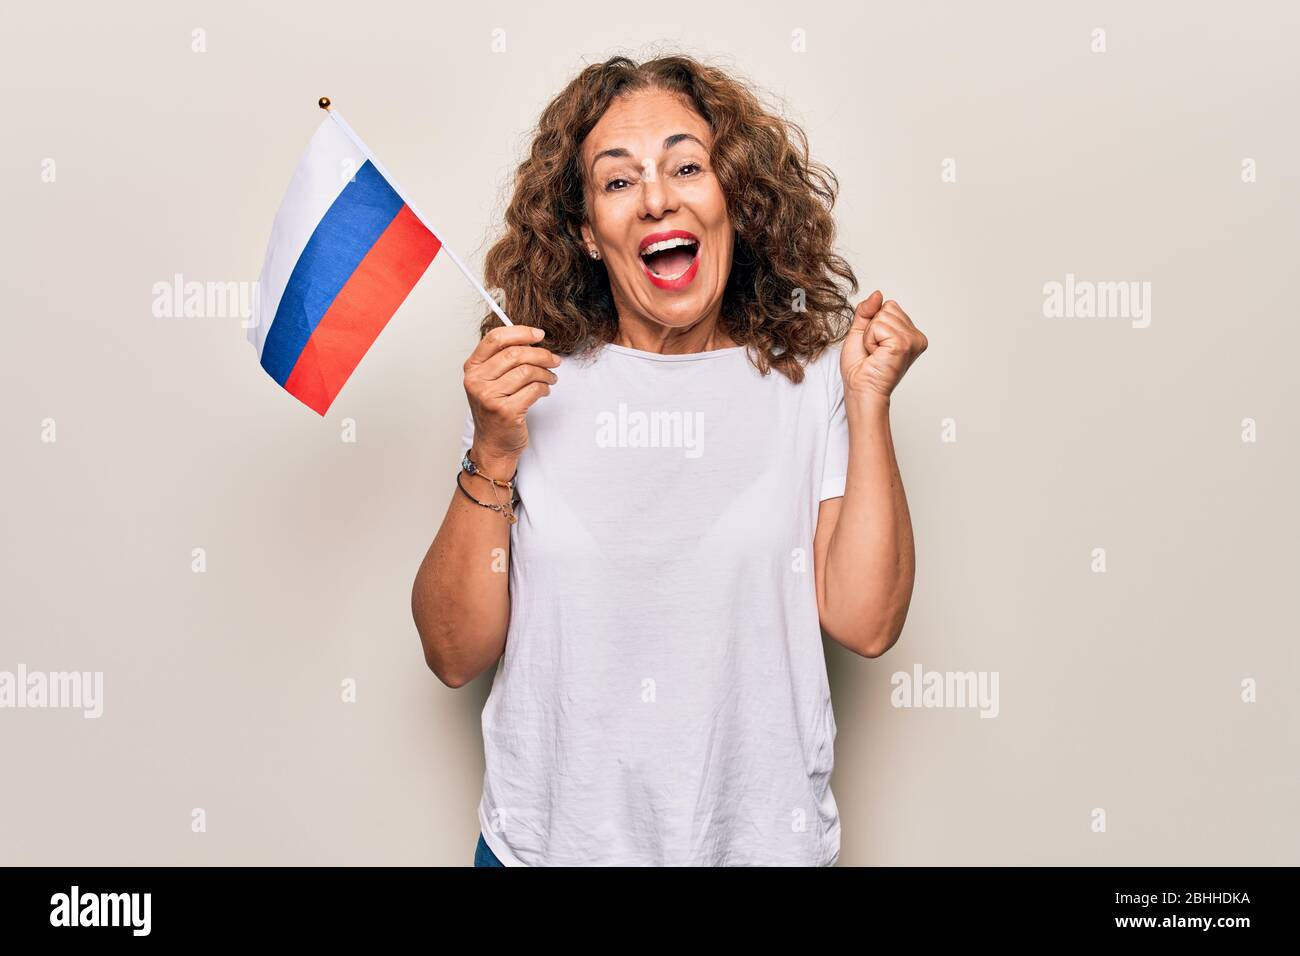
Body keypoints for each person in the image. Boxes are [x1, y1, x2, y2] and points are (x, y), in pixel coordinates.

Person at [412, 53, 927, 866]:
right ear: (585, 231)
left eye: (688, 166)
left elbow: (866, 624)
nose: (657, 197)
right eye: (618, 182)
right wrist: (492, 452)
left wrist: (868, 400)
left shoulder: (810, 386)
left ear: (735, 200)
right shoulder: (527, 390)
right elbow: (451, 655)